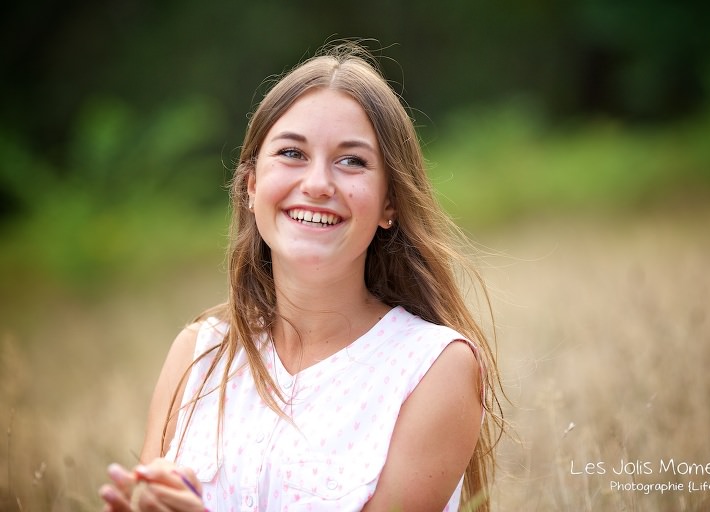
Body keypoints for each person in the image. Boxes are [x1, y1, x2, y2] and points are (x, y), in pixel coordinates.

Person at [99, 41, 506, 512]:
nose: (317, 184)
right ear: (251, 187)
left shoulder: (435, 369)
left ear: (389, 204)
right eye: (292, 152)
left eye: (351, 160)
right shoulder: (198, 354)